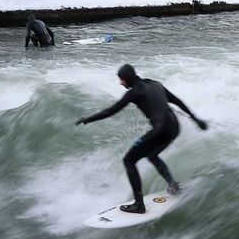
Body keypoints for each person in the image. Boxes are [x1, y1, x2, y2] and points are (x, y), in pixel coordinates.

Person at [75, 64, 208, 213]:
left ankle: (139, 204)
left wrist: (88, 119)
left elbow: (111, 111)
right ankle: (173, 185)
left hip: (160, 130)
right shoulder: (155, 84)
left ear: (127, 79)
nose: (120, 83)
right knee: (151, 155)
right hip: (174, 127)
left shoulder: (134, 92)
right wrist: (195, 119)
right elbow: (178, 101)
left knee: (129, 160)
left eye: (121, 80)